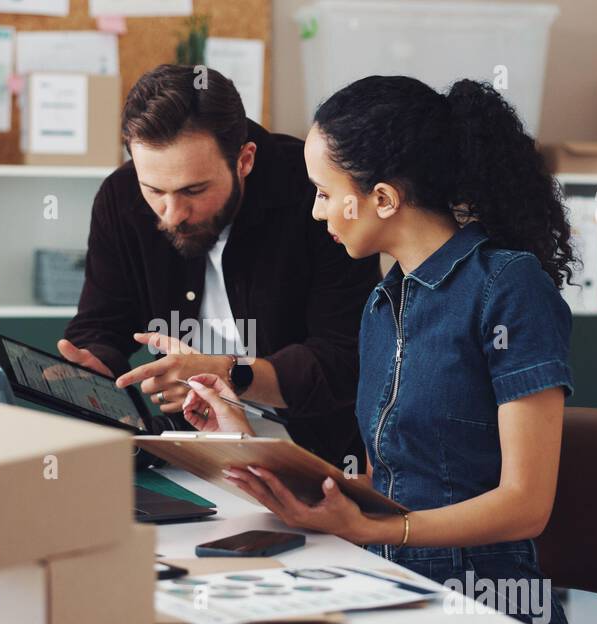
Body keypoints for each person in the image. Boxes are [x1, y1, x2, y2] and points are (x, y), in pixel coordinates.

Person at [181, 76, 580, 624]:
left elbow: (525, 506)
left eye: (322, 192)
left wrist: (377, 527)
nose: (315, 211)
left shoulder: (508, 287)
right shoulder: (381, 304)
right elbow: (393, 478)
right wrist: (247, 441)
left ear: (385, 199)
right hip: (389, 591)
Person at [59, 64, 380, 465]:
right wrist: (96, 362)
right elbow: (103, 322)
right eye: (154, 190)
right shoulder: (120, 197)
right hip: (189, 447)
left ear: (244, 160)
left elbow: (346, 358)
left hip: (318, 455)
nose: (172, 213)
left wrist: (230, 374)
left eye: (194, 190)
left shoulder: (315, 195)